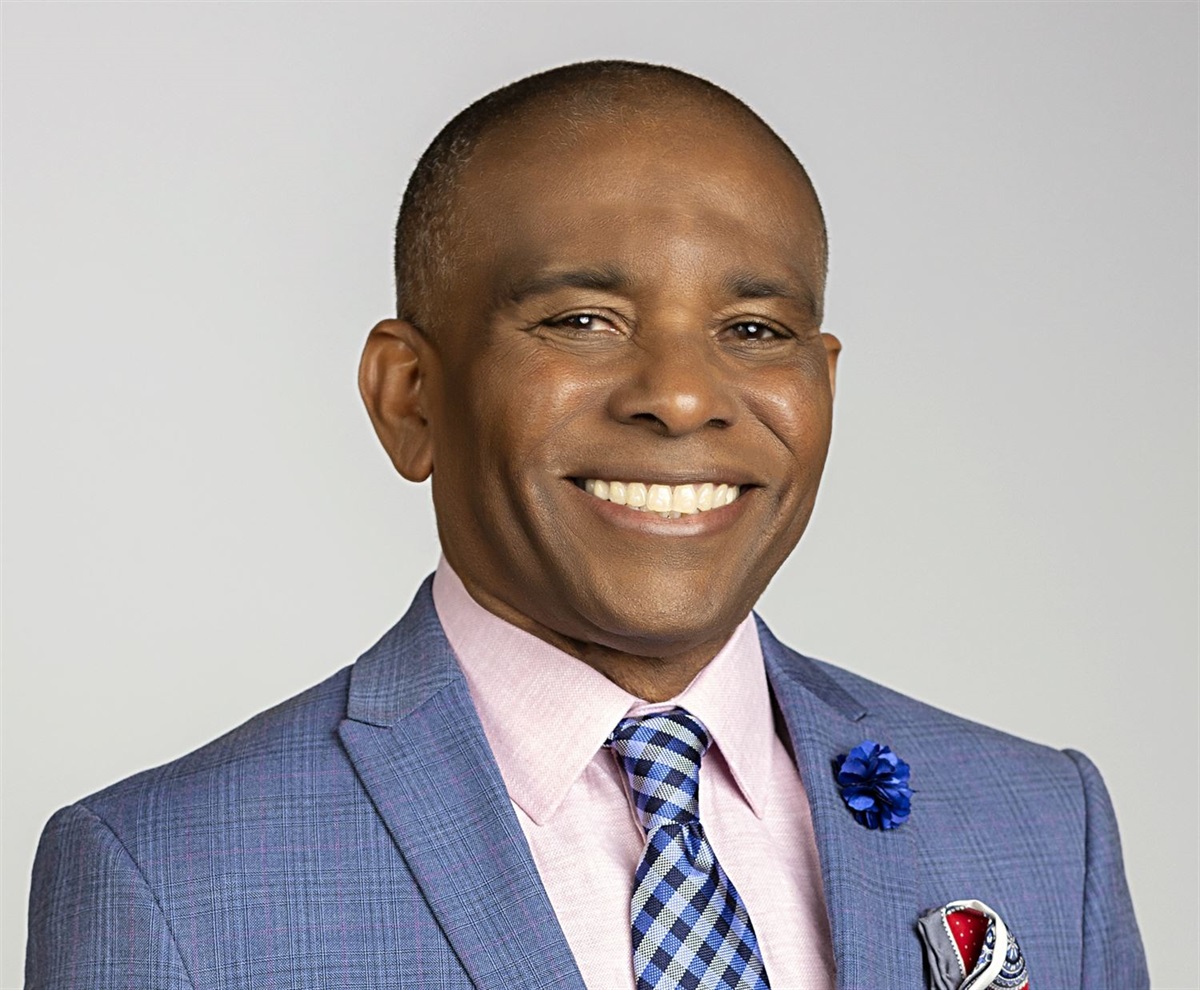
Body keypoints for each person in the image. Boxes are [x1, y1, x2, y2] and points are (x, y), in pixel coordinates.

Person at [25, 60, 1147, 990]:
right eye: (582, 319)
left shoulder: (1047, 828)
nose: (683, 396)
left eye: (755, 330)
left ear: (826, 384)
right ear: (410, 397)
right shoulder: (167, 879)